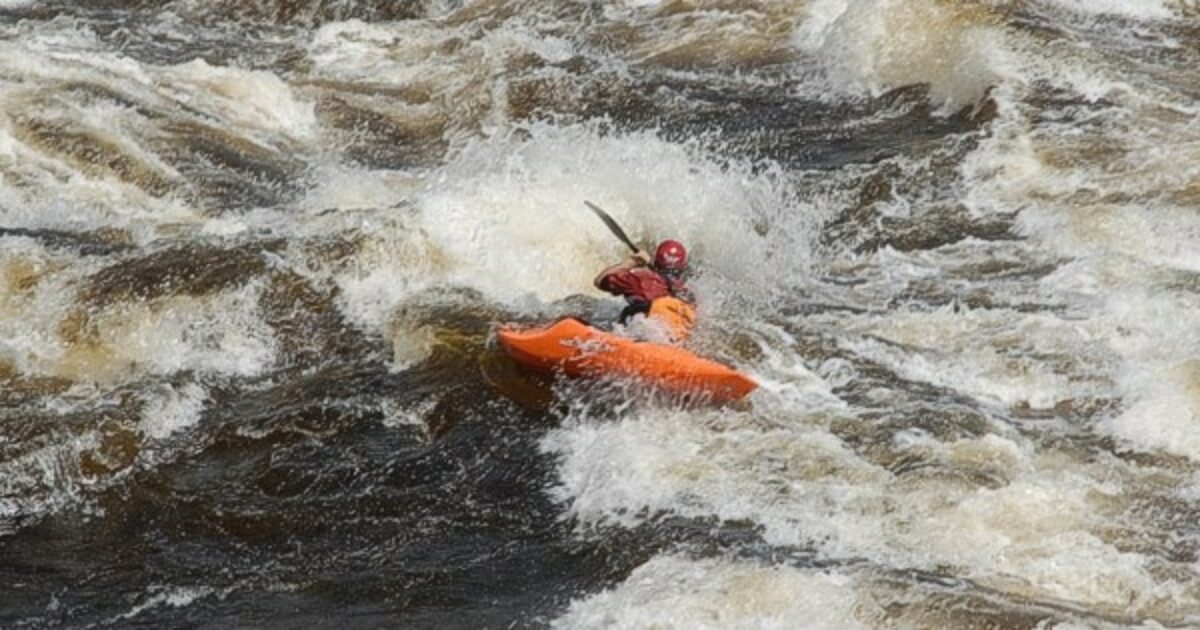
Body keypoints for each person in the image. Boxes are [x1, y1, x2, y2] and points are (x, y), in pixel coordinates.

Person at [593, 240, 696, 341]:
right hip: (669, 342)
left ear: (656, 262)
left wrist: (632, 262)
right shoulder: (687, 294)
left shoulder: (641, 280)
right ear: (683, 268)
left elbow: (600, 281)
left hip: (640, 338)